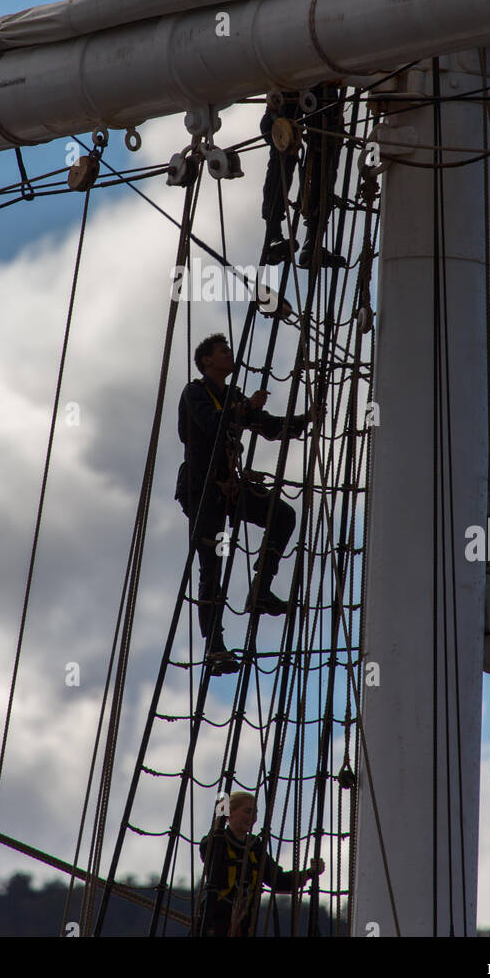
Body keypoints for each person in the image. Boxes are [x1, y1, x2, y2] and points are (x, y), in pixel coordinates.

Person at [175, 334, 306, 674]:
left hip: (230, 489)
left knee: (282, 514)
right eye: (223, 351)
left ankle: (260, 590)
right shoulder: (194, 394)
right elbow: (212, 425)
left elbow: (268, 427)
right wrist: (245, 408)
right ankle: (214, 649)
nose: (229, 355)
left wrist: (304, 421)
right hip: (202, 491)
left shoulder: (231, 397)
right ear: (206, 361)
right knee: (211, 566)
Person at [198, 791, 324, 937]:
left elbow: (278, 880)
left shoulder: (255, 847)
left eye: (256, 812)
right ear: (230, 813)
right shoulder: (217, 842)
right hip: (212, 926)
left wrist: (309, 873)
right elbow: (207, 849)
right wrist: (220, 816)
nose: (253, 818)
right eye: (248, 811)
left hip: (244, 928)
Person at [261, 83, 346, 269]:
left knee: (328, 140)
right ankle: (273, 235)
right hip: (289, 72)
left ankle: (312, 242)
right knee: (284, 138)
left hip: (322, 79)